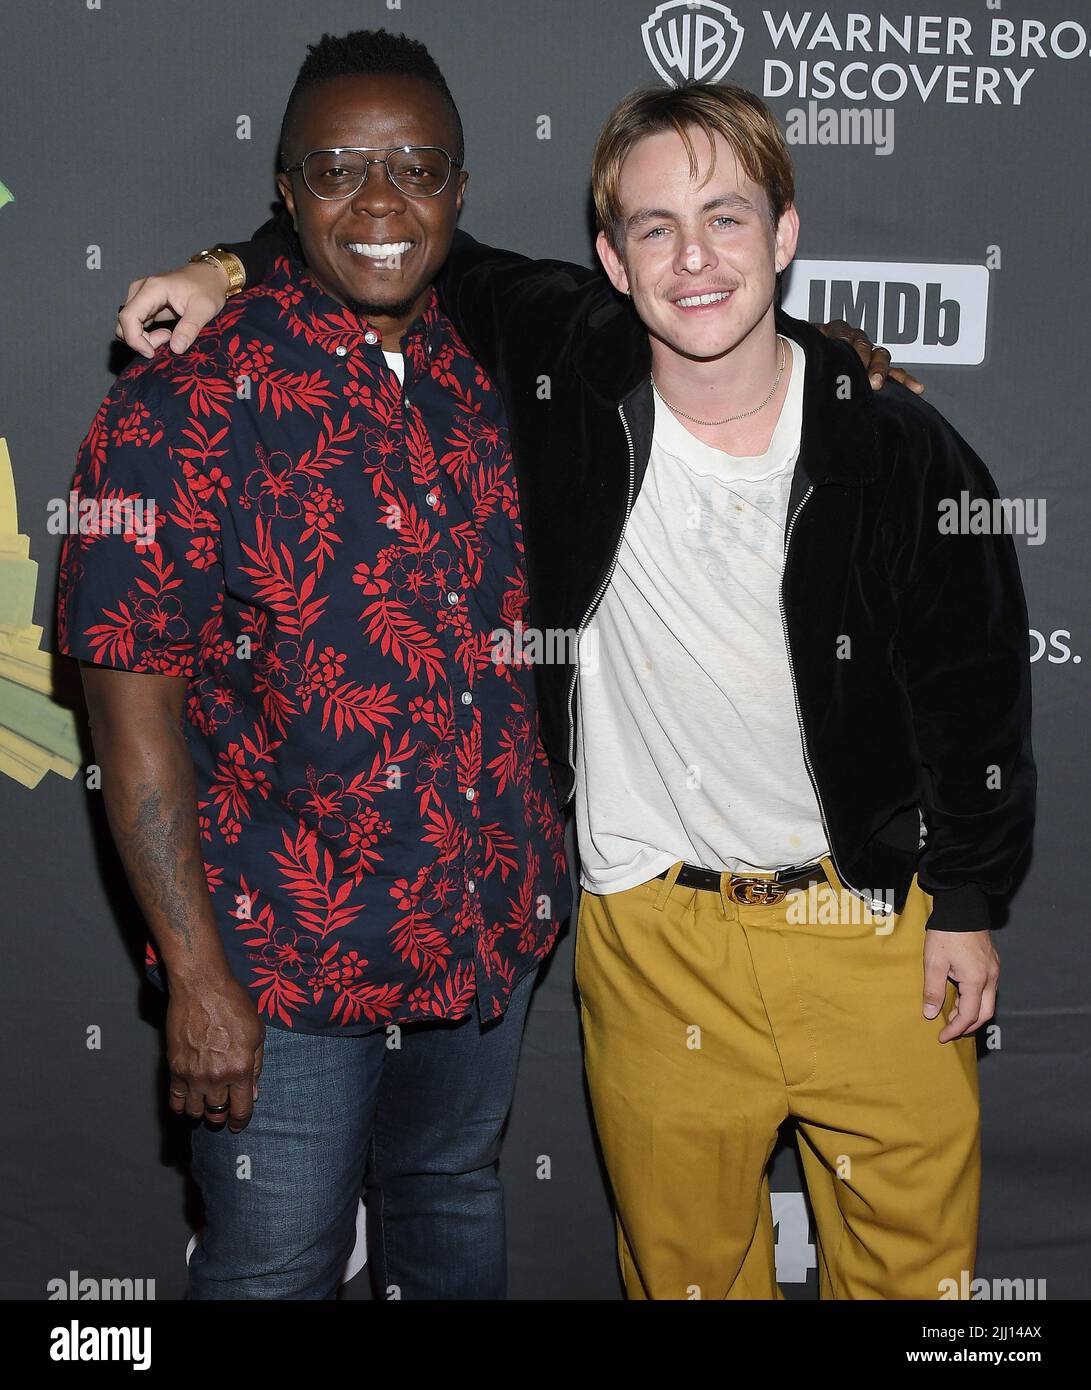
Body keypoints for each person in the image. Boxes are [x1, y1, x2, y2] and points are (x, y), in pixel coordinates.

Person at [115, 52, 1023, 1300]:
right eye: (655, 227)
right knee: (680, 1280)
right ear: (609, 259)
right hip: (639, 938)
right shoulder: (560, 367)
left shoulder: (895, 443)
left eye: (725, 220)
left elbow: (974, 682)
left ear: (785, 233)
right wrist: (220, 268)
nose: (692, 257)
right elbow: (371, 221)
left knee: (920, 1292)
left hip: (864, 927)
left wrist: (966, 898)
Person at [58, 29, 572, 1301]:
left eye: (416, 166)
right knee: (276, 1266)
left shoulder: (471, 375)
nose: (381, 202)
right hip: (282, 973)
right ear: (285, 193)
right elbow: (133, 733)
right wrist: (199, 983)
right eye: (339, 167)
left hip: (477, 940)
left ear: (460, 187)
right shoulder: (175, 410)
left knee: (449, 1210)